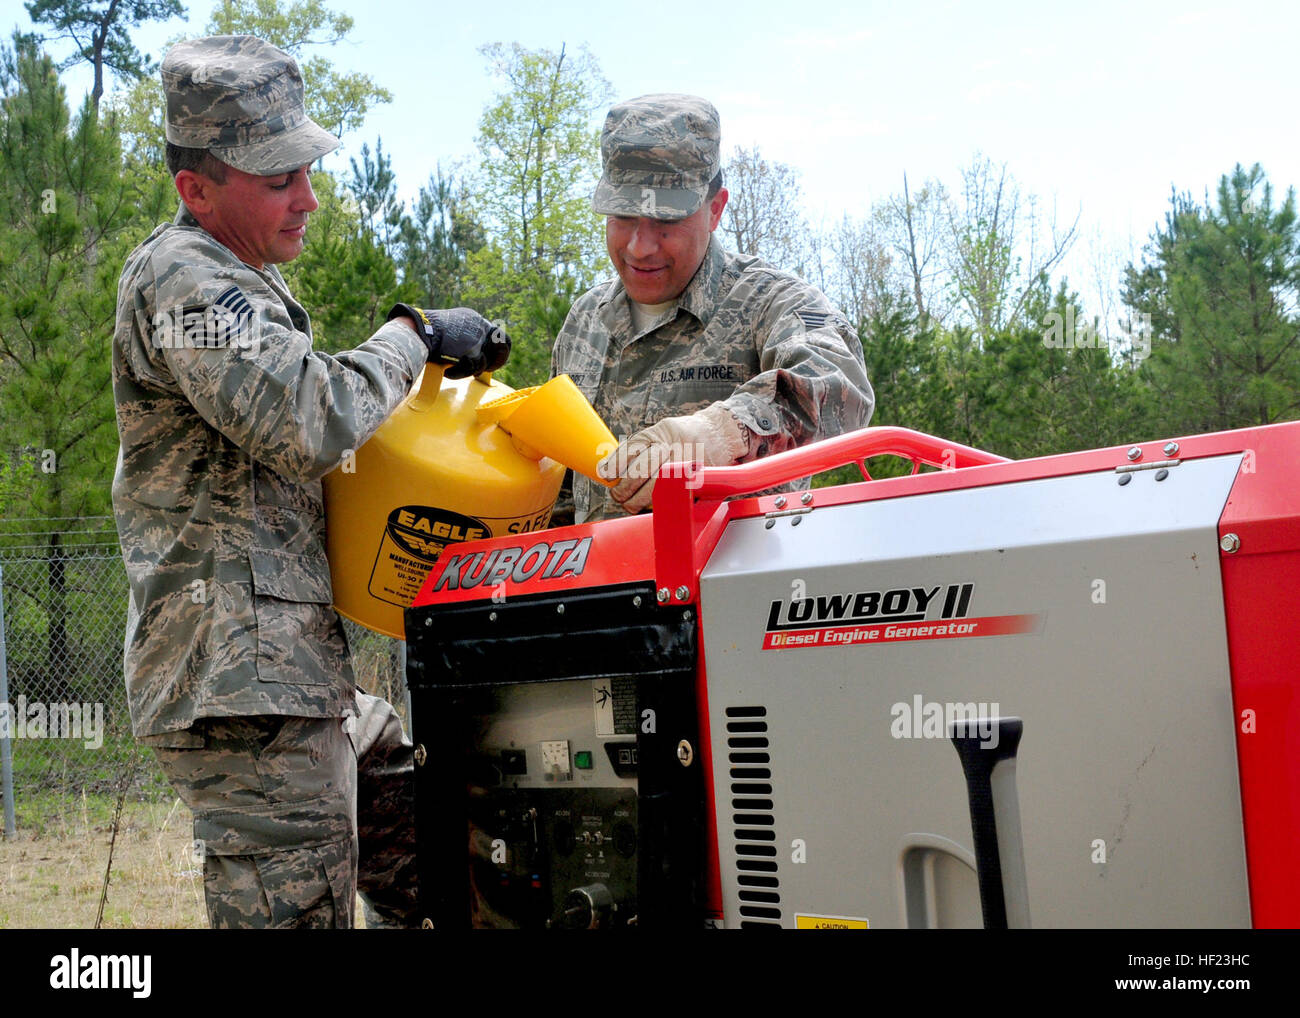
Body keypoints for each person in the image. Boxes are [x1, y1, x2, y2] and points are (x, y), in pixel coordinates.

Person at [111, 35, 507, 928]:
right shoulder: (184, 282)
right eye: (280, 176)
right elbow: (309, 416)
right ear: (197, 188)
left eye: (306, 169)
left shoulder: (236, 278)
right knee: (295, 906)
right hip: (238, 683)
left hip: (286, 678)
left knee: (414, 821)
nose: (309, 197)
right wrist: (413, 333)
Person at [550, 93, 874, 524]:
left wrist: (724, 432)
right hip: (593, 585)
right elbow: (560, 495)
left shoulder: (769, 302)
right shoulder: (585, 323)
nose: (639, 247)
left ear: (715, 209)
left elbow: (840, 385)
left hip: (735, 583)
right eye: (622, 217)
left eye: (665, 222)